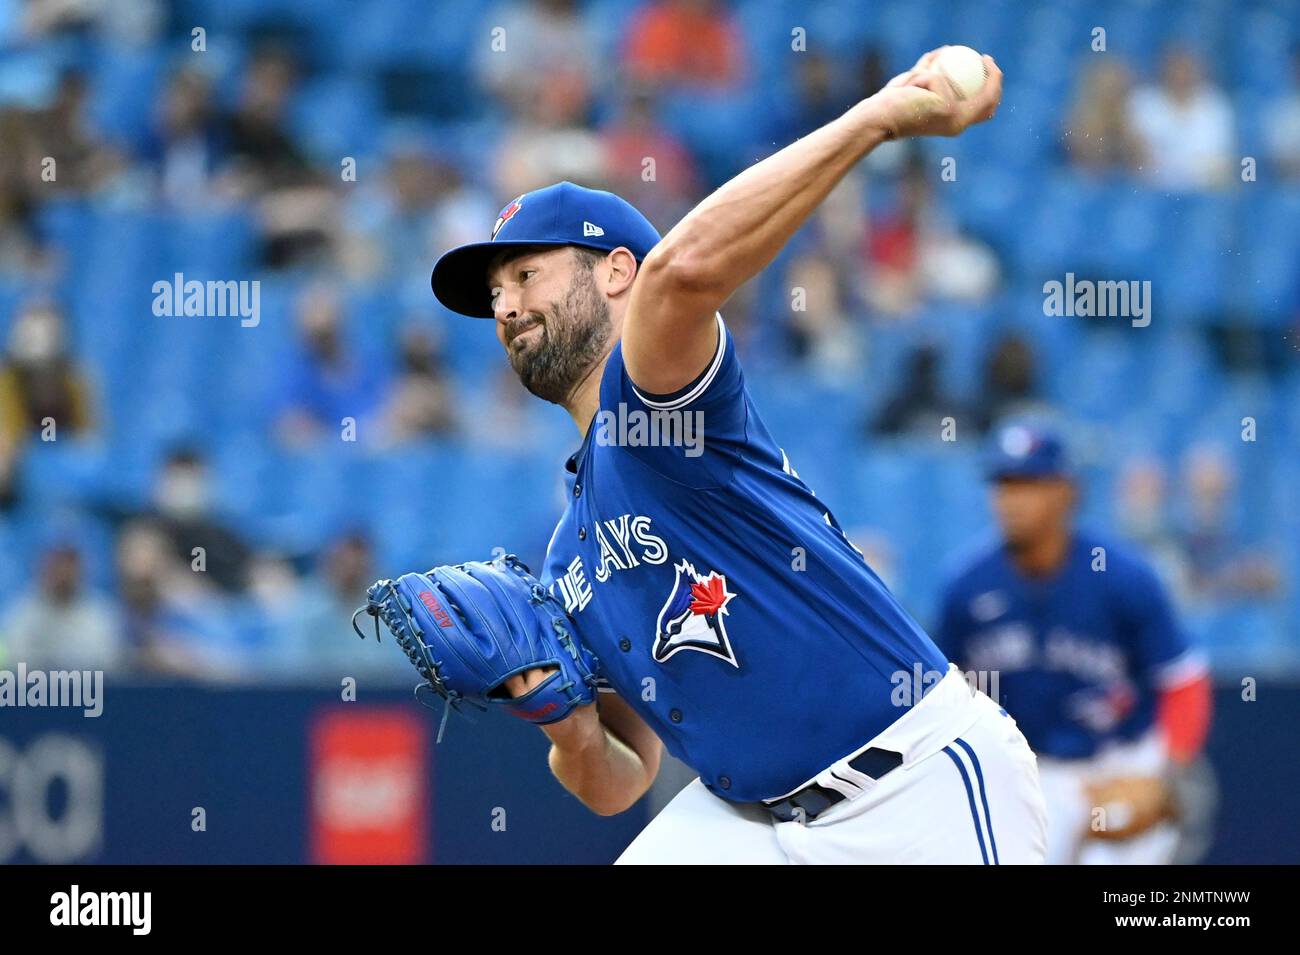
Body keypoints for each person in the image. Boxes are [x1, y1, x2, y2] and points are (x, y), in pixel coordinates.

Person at [428, 48, 1046, 864]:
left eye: (525, 272)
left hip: (915, 787)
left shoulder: (654, 400)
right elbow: (619, 781)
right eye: (494, 293)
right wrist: (564, 722)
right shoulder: (567, 549)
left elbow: (681, 273)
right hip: (757, 822)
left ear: (618, 272)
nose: (504, 304)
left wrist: (880, 116)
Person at [934, 423, 1213, 864]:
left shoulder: (1123, 576)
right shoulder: (966, 587)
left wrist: (1163, 775)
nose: (1012, 500)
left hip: (1120, 762)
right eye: (1003, 484)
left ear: (1066, 492)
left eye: (1029, 484)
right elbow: (940, 699)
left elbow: (1184, 683)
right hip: (1027, 769)